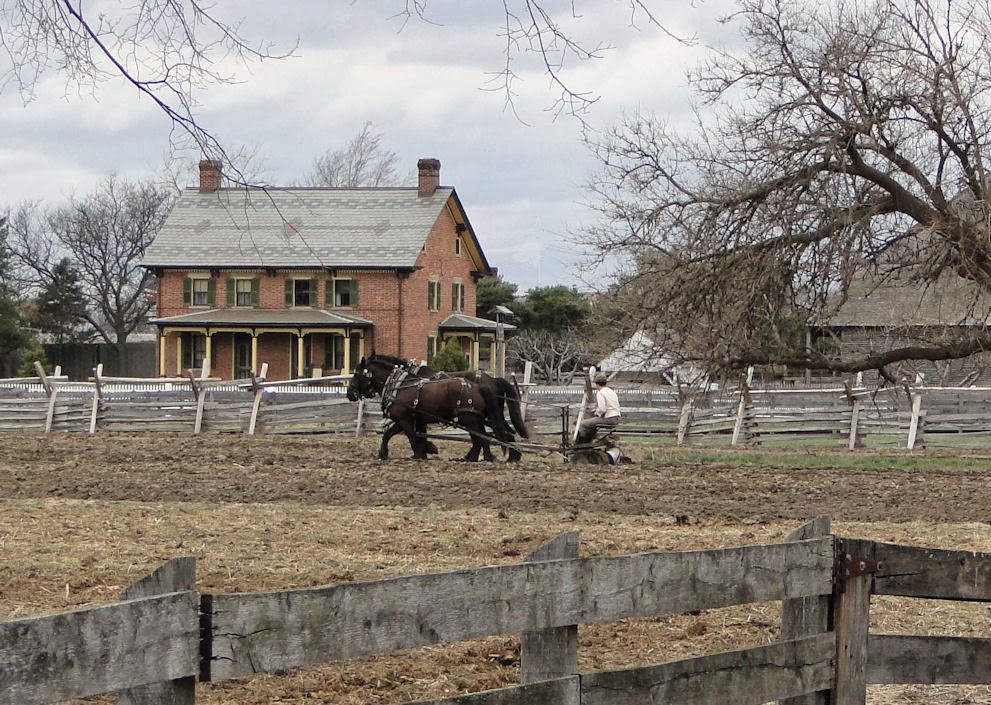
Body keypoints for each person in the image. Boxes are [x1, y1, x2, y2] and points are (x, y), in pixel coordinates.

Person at [576, 373, 621, 444]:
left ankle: (580, 445)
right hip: (616, 417)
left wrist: (597, 413)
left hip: (609, 418)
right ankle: (589, 442)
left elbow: (602, 409)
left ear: (597, 384)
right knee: (592, 424)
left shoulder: (600, 393)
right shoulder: (612, 392)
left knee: (583, 424)